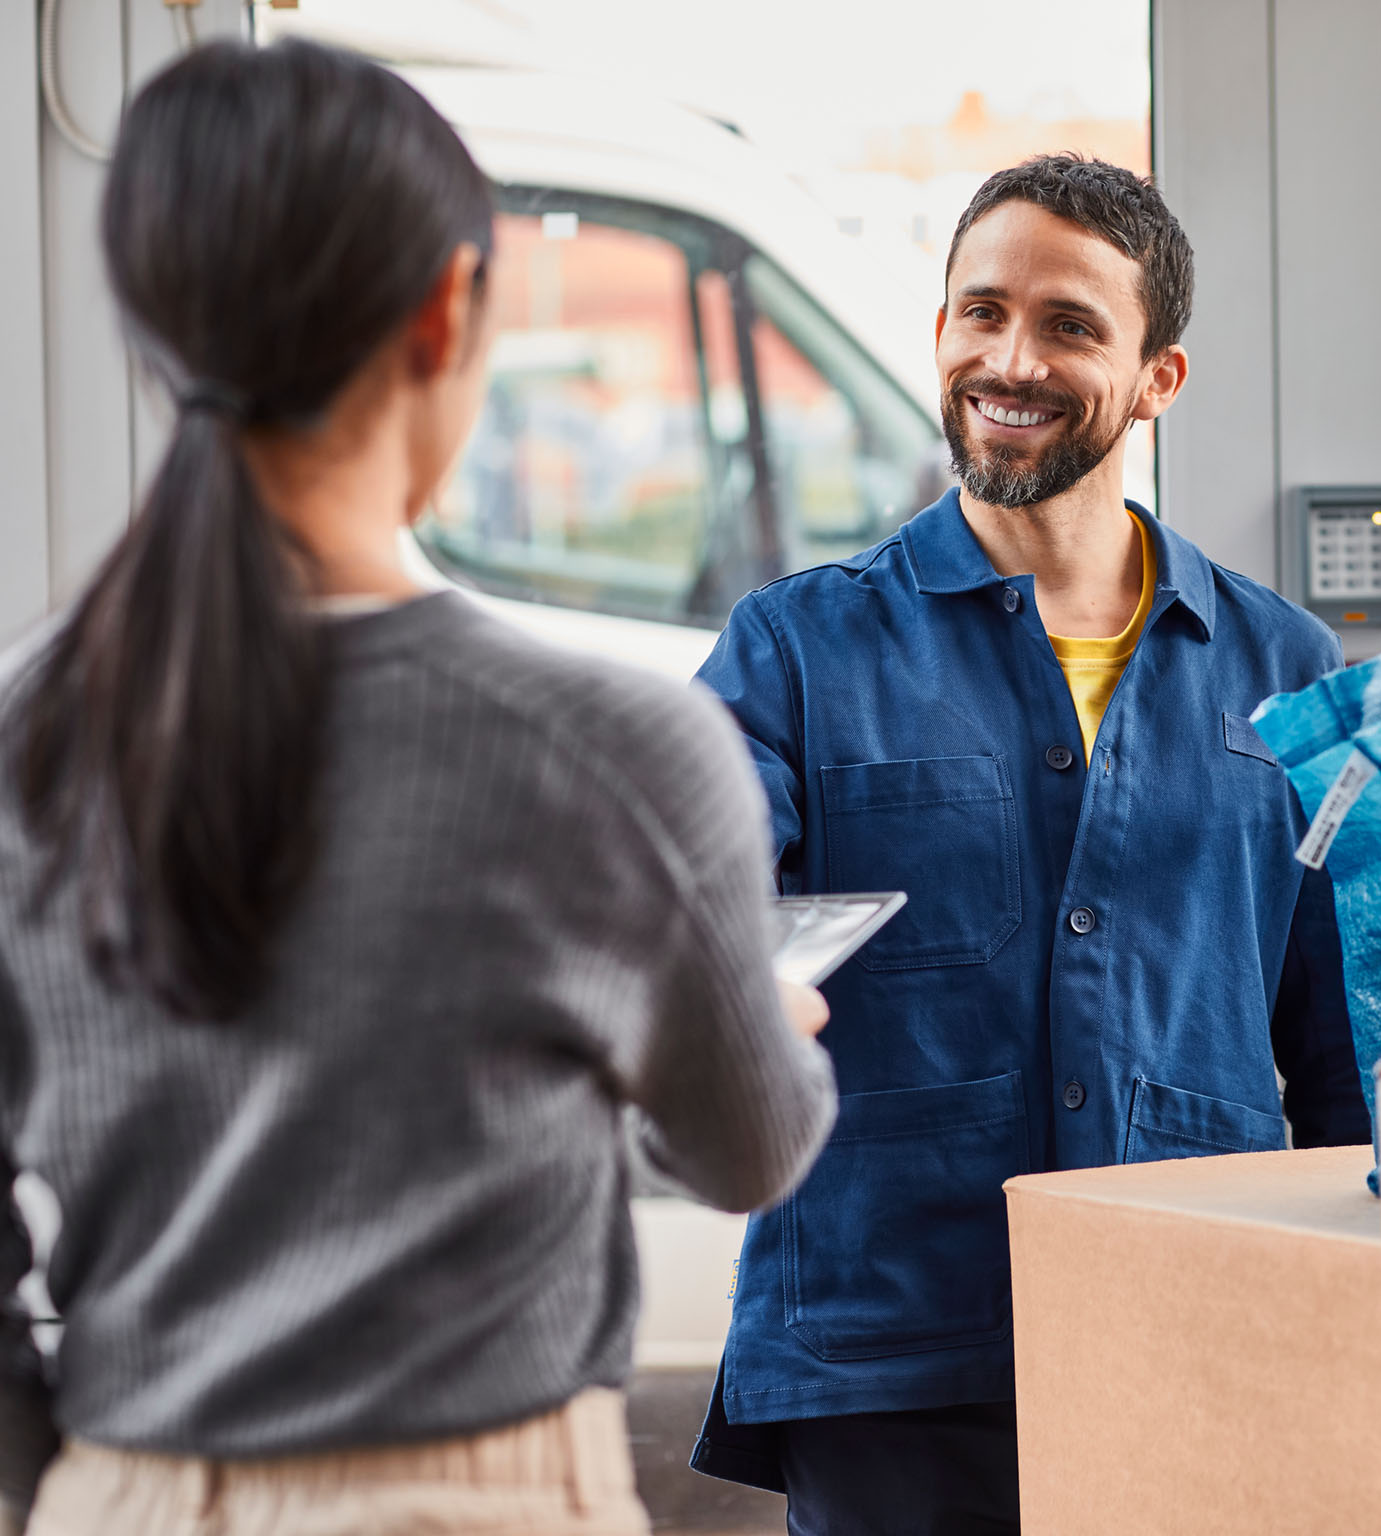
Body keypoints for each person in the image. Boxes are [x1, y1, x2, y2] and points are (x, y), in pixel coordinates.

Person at [0, 39, 837, 1536]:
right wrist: (767, 1022)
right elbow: (749, 1152)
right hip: (476, 1502)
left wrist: (78, 1482)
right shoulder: (620, 747)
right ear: (448, 313)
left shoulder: (27, 734)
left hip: (114, 1494)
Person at [691, 154, 1371, 1534]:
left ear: (1157, 379)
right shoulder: (795, 649)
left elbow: (1339, 1041)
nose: (1012, 358)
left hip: (1197, 1324)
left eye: (1070, 325)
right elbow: (684, 917)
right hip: (892, 1349)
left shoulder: (1288, 670)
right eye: (980, 311)